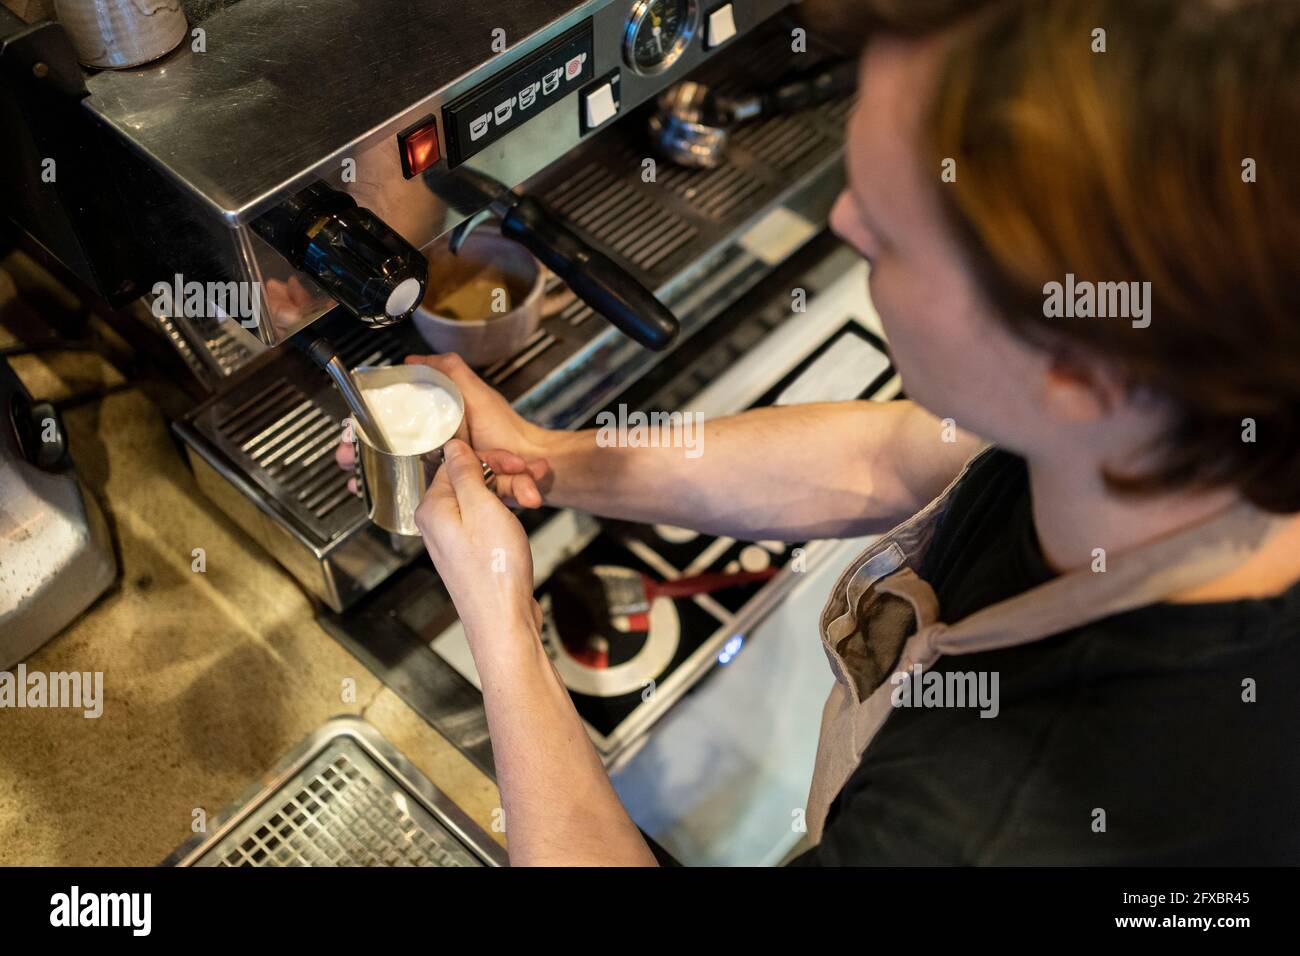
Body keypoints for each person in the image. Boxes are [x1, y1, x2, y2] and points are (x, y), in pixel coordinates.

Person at [338, 0, 1300, 865]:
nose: (841, 221)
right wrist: (548, 459)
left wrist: (501, 620)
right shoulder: (1179, 405)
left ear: (1075, 367)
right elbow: (890, 459)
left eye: (892, 231)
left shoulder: (984, 828)